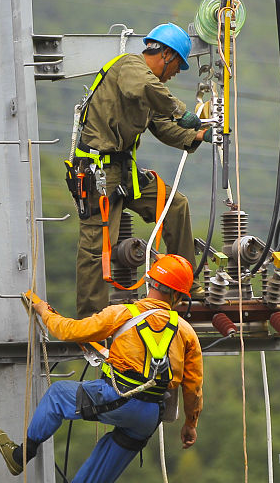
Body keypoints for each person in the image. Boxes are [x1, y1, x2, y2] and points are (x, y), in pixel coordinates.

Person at [0, 254, 204, 483]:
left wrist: (45, 312)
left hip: (118, 397)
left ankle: (20, 455)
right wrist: (190, 424)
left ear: (148, 281)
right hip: (149, 415)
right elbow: (193, 388)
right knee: (101, 464)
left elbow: (69, 331)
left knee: (58, 395)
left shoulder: (122, 314)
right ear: (179, 295)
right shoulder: (186, 332)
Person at [69, 22, 210, 318]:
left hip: (122, 172)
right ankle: (90, 319)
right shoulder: (129, 66)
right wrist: (179, 109)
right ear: (167, 54)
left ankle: (186, 285)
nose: (176, 73)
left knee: (175, 205)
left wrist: (198, 135)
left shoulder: (150, 92)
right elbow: (147, 88)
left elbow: (164, 128)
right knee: (98, 246)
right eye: (178, 66)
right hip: (97, 172)